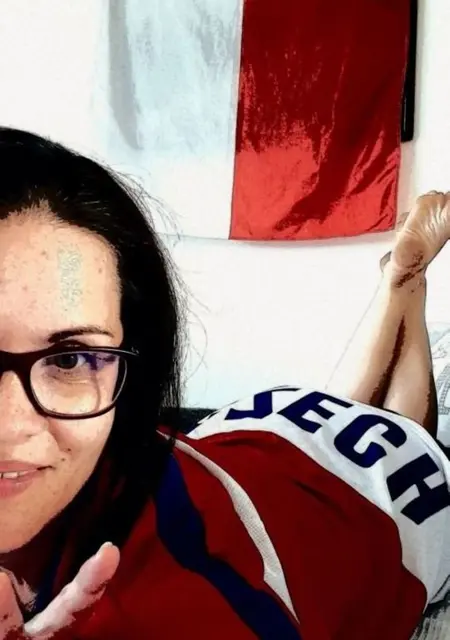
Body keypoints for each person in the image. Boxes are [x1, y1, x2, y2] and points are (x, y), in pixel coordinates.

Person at [0, 127, 448, 640]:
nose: (8, 426)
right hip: (274, 439)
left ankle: (404, 283)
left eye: (70, 357)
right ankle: (400, 282)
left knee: (403, 431)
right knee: (342, 414)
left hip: (378, 499)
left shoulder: (196, 606)